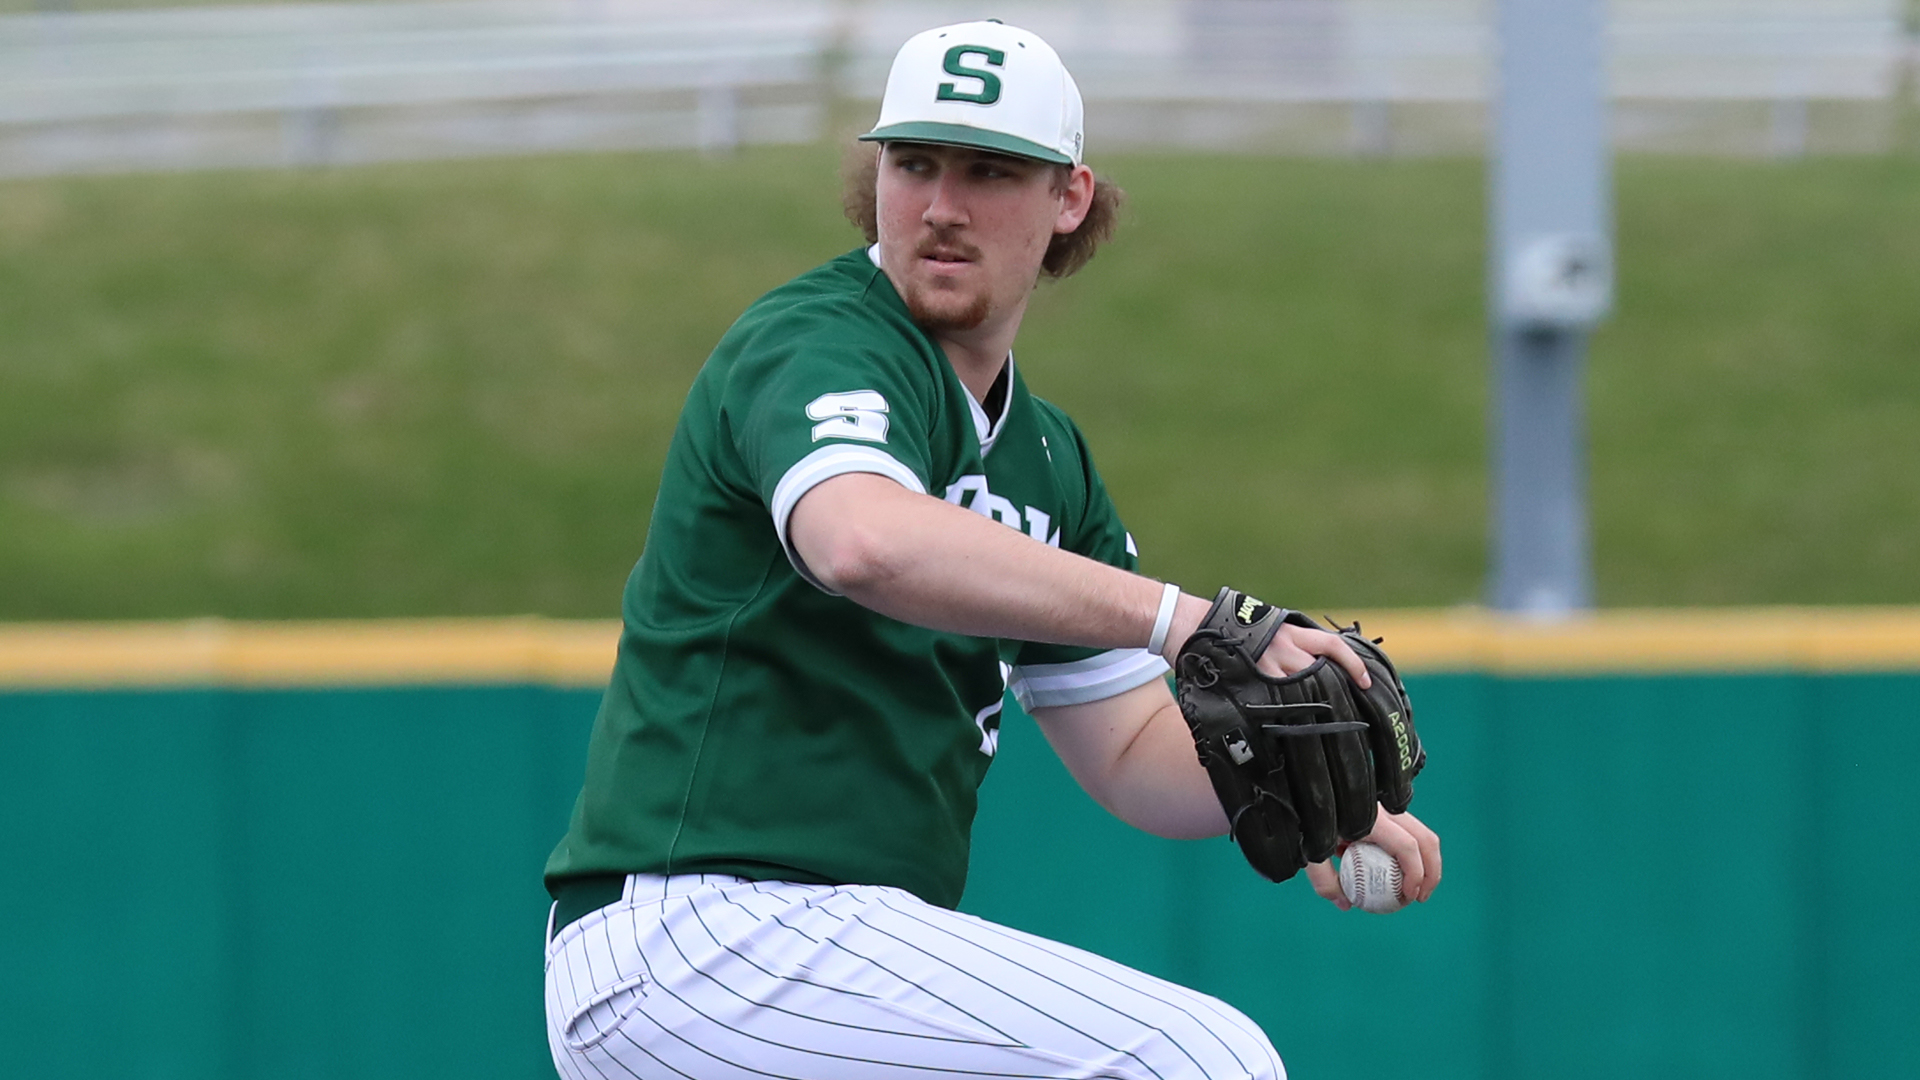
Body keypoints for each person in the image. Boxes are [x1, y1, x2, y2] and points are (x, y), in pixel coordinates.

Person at [542, 20, 1441, 1080]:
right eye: (914, 163)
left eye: (989, 170)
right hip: (701, 934)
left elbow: (1131, 754)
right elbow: (861, 539)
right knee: (1198, 1059)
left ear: (1069, 197)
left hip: (820, 960)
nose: (942, 205)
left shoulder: (1048, 459)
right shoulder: (822, 342)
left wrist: (1300, 788)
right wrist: (1184, 619)